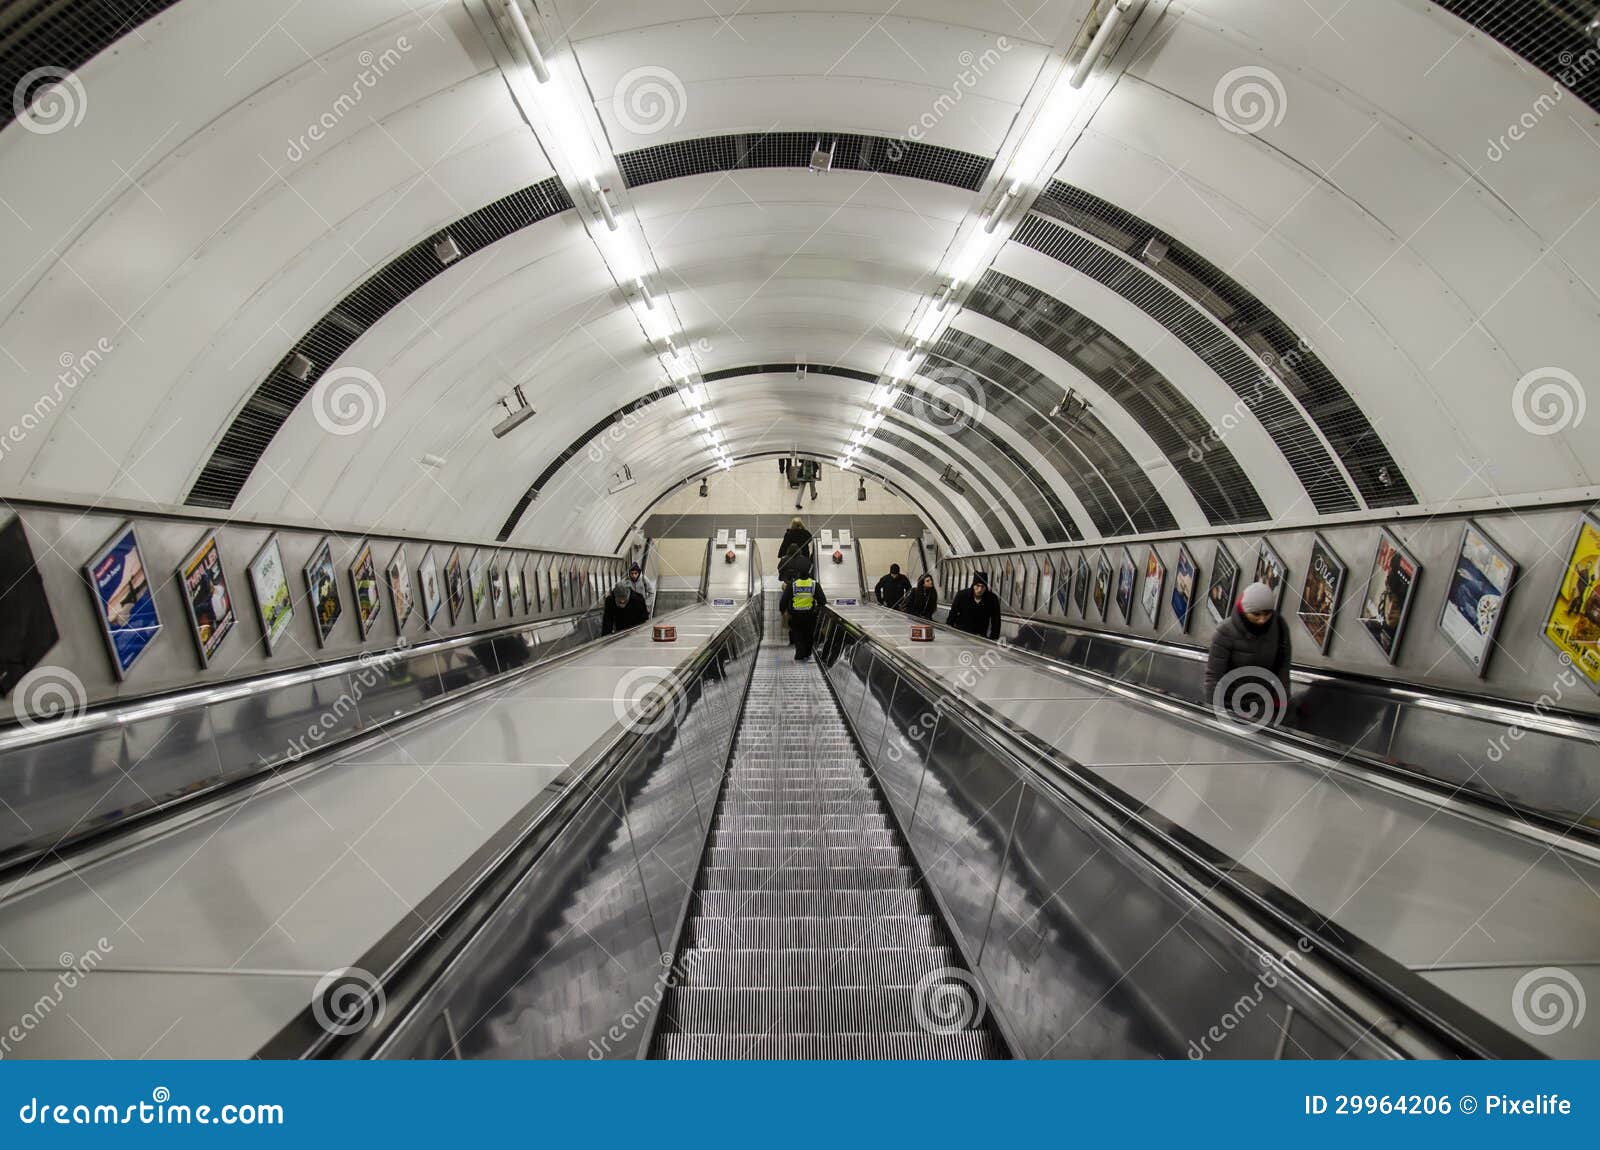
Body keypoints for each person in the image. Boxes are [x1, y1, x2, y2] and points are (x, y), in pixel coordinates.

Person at [1204, 581, 1292, 723]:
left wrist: (1281, 703)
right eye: (1256, 614)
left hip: (1264, 707)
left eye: (1267, 613)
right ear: (1244, 610)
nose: (1262, 619)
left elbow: (1283, 668)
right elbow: (1213, 677)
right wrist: (1214, 714)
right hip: (1229, 706)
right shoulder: (1225, 632)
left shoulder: (1280, 628)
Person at [779, 559, 826, 661]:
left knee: (798, 635)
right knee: (809, 635)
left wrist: (783, 611)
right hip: (810, 616)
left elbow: (783, 601)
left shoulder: (793, 584)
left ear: (798, 571)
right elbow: (822, 601)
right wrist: (817, 609)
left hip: (795, 616)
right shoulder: (814, 584)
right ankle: (807, 652)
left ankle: (800, 653)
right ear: (809, 570)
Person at [947, 570, 1001, 640]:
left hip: (980, 636)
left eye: (982, 586)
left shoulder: (992, 599)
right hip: (961, 634)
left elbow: (996, 620)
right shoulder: (962, 595)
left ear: (986, 587)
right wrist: (948, 629)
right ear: (973, 585)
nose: (980, 589)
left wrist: (993, 638)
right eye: (977, 586)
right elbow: (953, 613)